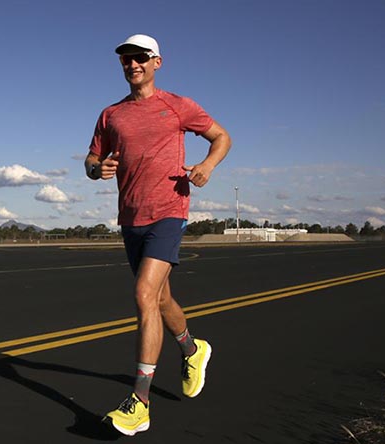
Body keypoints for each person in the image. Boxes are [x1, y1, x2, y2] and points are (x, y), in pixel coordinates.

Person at [84, 34, 231, 436]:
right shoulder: (111, 115)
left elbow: (222, 137)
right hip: (131, 217)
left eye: (140, 58)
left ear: (157, 62)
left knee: (144, 295)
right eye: (126, 59)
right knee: (161, 297)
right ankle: (192, 348)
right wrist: (98, 169)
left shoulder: (178, 106)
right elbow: (91, 157)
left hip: (169, 212)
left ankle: (140, 402)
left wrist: (208, 165)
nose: (132, 65)